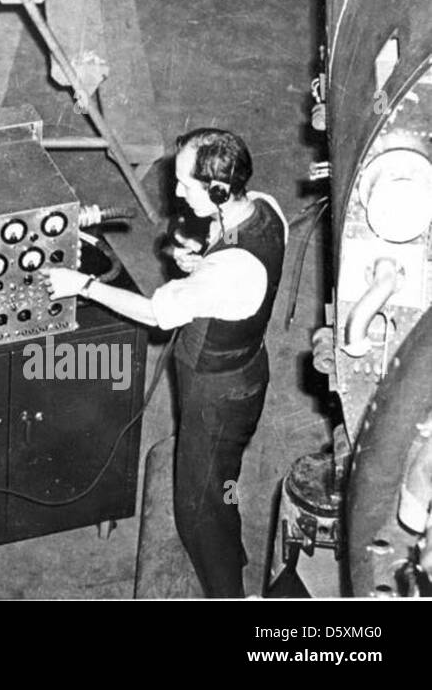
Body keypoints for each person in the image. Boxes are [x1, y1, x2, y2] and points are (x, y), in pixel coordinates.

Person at [42, 127, 287, 597]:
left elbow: (155, 313)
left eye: (185, 185)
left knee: (196, 510)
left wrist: (83, 286)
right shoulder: (265, 207)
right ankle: (233, 547)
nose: (175, 192)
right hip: (247, 372)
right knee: (224, 479)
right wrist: (203, 259)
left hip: (218, 393)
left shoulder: (229, 273)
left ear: (217, 190)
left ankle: (228, 589)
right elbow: (233, 262)